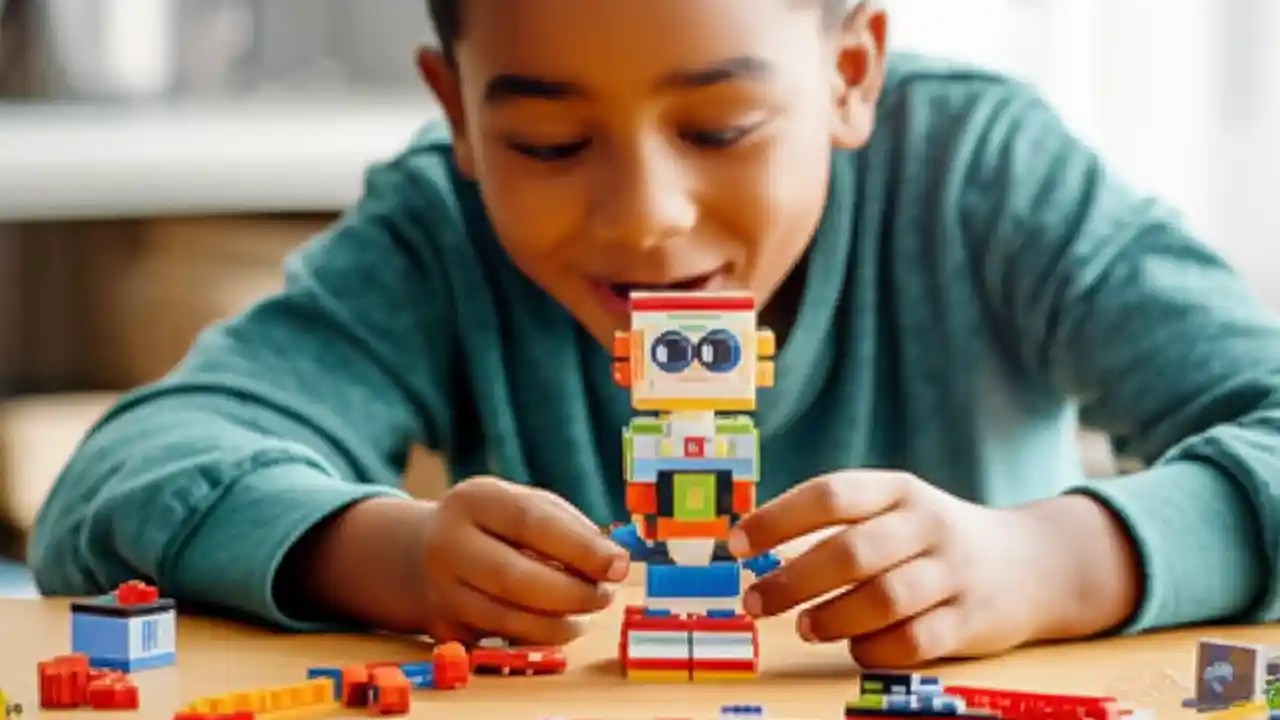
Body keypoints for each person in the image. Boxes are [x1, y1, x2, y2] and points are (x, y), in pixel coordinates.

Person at [28, 0, 1280, 669]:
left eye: (721, 127)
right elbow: (116, 483)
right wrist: (387, 556)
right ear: (456, 112)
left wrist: (1050, 564)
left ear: (850, 75)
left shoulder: (987, 179)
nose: (643, 219)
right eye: (548, 145)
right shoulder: (435, 230)